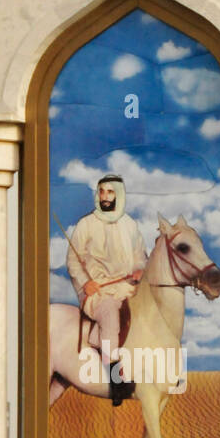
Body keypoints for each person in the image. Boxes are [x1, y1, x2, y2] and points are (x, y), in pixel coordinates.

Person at [65, 173, 146, 406]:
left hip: (127, 287)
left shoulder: (130, 225)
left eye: (110, 192)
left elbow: (140, 257)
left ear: (118, 195)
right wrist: (85, 283)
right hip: (98, 292)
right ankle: (116, 380)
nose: (105, 197)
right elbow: (73, 261)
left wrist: (139, 270)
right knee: (110, 311)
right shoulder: (86, 224)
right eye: (101, 192)